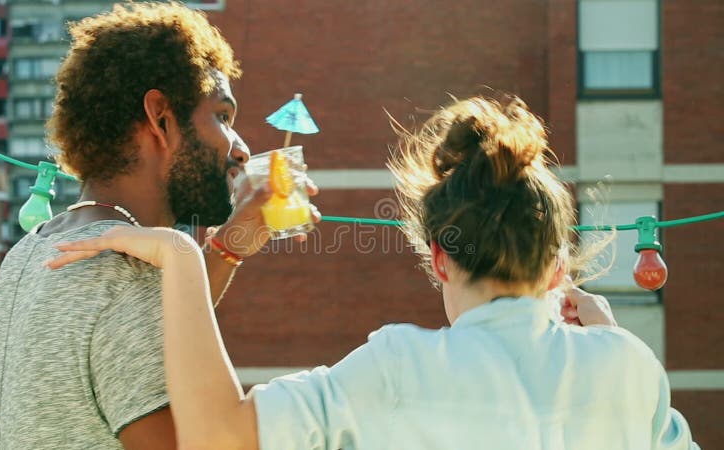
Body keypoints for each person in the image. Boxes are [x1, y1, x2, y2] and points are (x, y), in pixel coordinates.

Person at [50, 95, 699, 450]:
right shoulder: (628, 369)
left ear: (439, 258)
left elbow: (217, 438)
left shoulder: (399, 368)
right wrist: (614, 345)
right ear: (558, 269)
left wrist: (184, 257)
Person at [0, 3, 316, 449]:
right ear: (160, 117)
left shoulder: (30, 253)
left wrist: (228, 249)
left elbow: (141, 335)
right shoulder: (124, 275)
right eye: (222, 116)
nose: (241, 150)